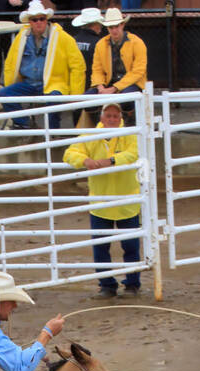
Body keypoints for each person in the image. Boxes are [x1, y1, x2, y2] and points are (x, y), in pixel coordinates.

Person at [63, 101, 142, 300]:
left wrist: (112, 160)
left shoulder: (129, 134)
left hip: (127, 201)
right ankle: (107, 285)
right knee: (100, 247)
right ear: (102, 118)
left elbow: (135, 153)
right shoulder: (90, 135)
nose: (112, 120)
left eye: (116, 116)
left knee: (131, 246)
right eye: (109, 116)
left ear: (120, 118)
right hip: (101, 202)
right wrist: (85, 160)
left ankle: (132, 284)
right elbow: (70, 153)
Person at [0, 1, 85, 129]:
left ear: (46, 19)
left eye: (42, 19)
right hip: (28, 84)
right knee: (4, 94)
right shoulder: (21, 37)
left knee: (53, 100)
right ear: (30, 22)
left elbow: (78, 66)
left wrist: (75, 94)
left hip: (54, 84)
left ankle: (53, 133)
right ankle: (26, 125)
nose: (38, 22)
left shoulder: (63, 37)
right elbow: (9, 64)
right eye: (34, 19)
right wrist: (9, 83)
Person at [90, 8, 147, 103]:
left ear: (122, 25)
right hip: (108, 84)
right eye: (110, 27)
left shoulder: (137, 43)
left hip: (131, 84)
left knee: (126, 100)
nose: (114, 30)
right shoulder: (100, 44)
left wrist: (114, 89)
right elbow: (97, 70)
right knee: (86, 99)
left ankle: (129, 117)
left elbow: (138, 71)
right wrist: (100, 87)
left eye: (116, 26)